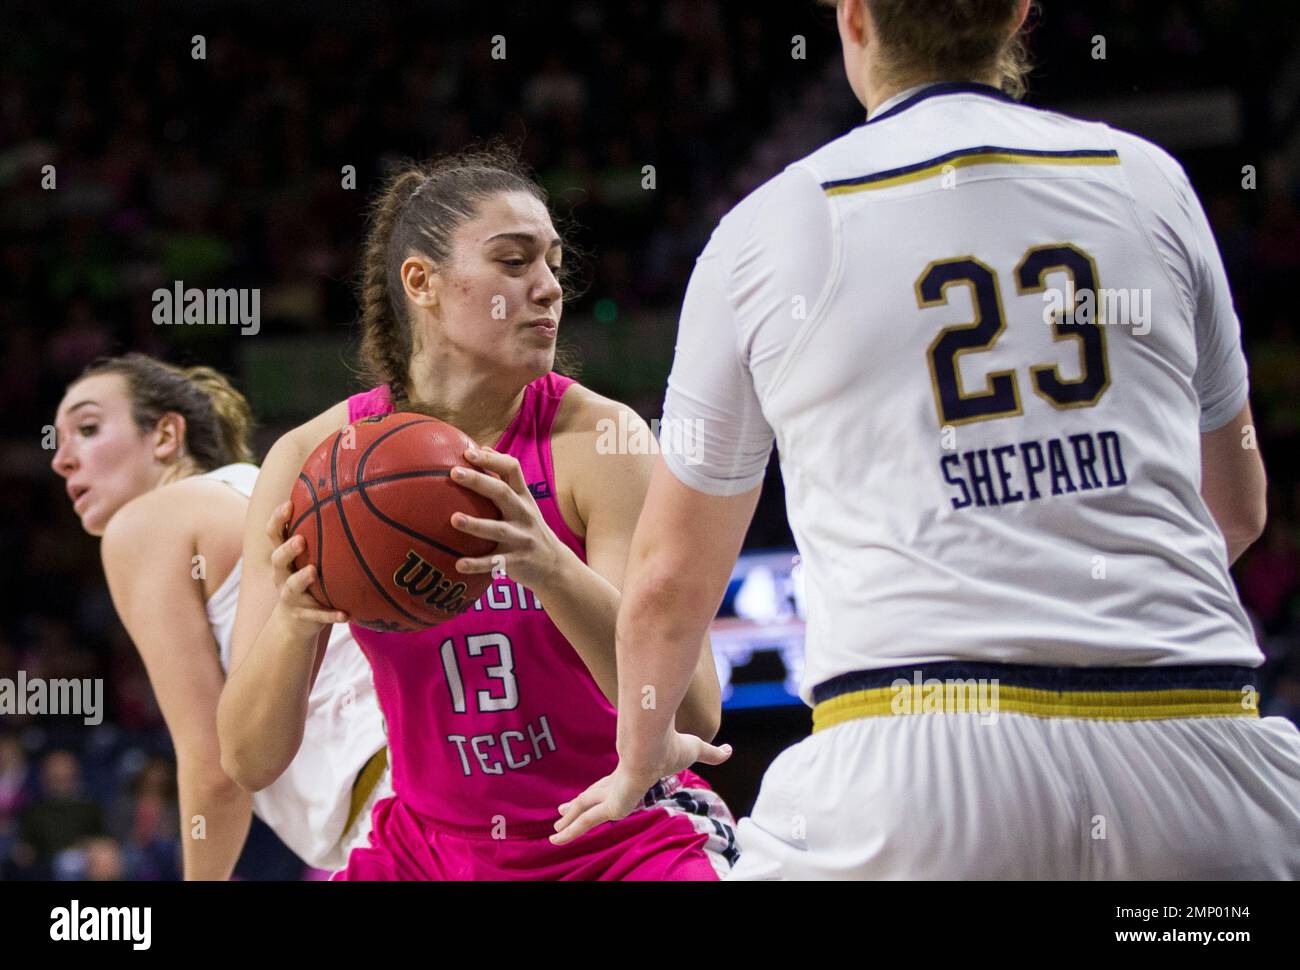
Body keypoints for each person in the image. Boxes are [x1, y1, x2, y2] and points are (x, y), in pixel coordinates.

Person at [552, 0, 1300, 878]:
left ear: (855, 18)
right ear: (1019, 14)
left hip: (914, 756)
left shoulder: (768, 227)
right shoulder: (1150, 180)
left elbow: (669, 581)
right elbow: (1239, 509)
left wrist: (640, 756)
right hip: (1202, 748)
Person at [219, 148, 738, 880]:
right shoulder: (314, 461)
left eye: (554, 264)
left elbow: (692, 712)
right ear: (421, 282)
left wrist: (549, 565)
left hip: (623, 839)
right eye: (514, 261)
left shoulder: (600, 441)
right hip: (432, 852)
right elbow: (248, 759)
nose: (549, 288)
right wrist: (295, 623)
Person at [50, 354, 389, 879]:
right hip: (445, 761)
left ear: (166, 436)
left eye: (87, 428)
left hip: (389, 800)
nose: (61, 459)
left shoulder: (143, 524)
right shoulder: (255, 487)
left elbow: (214, 769)